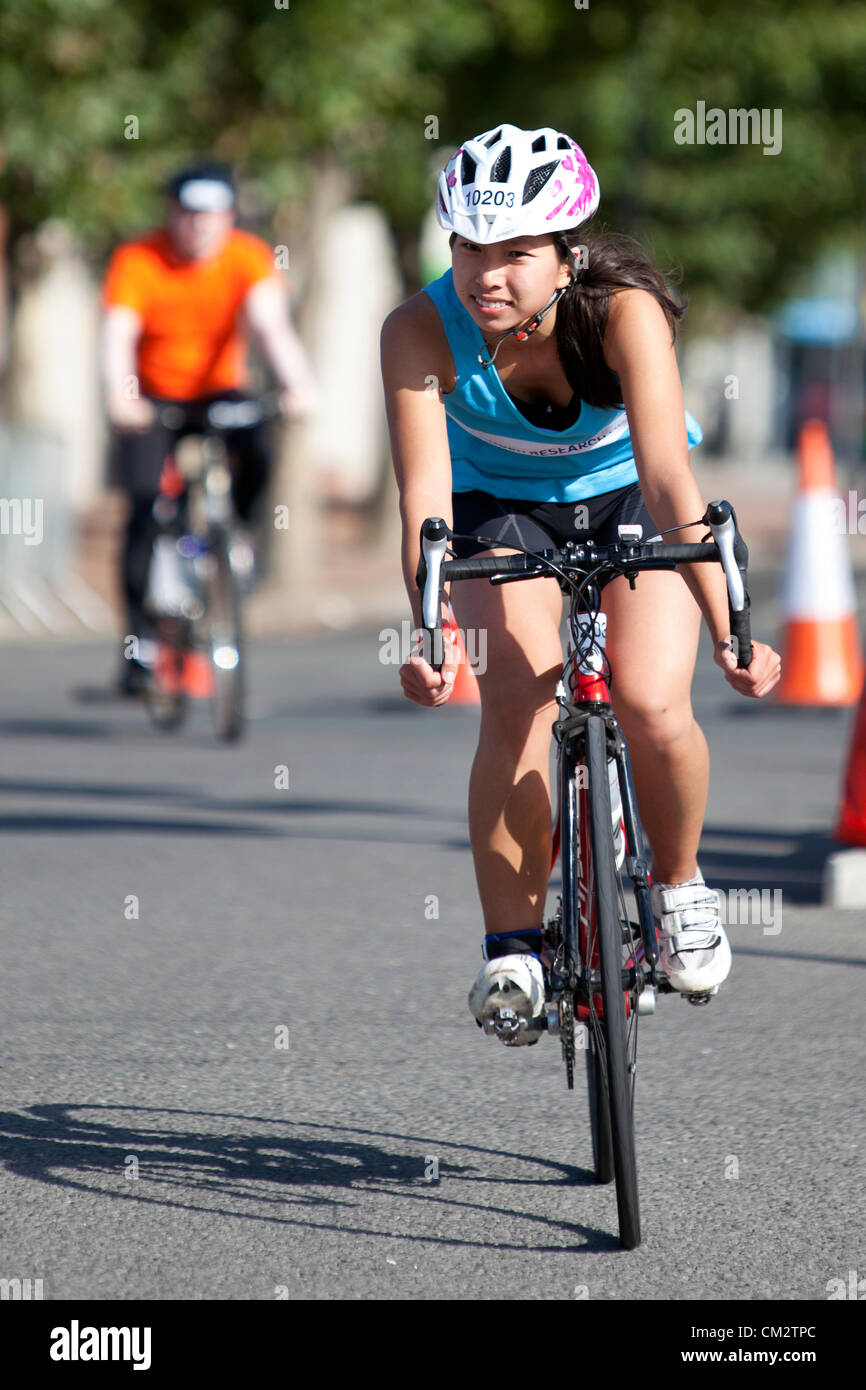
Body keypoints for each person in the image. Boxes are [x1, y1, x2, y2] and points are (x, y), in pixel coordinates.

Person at [381, 123, 782, 1043]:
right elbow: (425, 506)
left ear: (567, 255)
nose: (488, 273)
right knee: (517, 700)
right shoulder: (414, 330)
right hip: (496, 508)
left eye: (516, 252)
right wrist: (430, 634)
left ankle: (679, 888)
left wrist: (732, 628)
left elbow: (673, 480)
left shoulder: (623, 310)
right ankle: (513, 949)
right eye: (470, 247)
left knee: (650, 701)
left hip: (630, 497)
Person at [101, 160, 316, 693]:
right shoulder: (138, 259)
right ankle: (141, 645)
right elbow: (117, 334)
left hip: (219, 389)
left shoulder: (248, 256)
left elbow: (270, 326)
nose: (200, 225)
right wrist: (121, 395)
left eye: (212, 214)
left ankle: (236, 536)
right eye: (189, 213)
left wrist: (299, 386)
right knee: (144, 504)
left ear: (229, 215)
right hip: (152, 397)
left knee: (260, 452)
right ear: (173, 214)